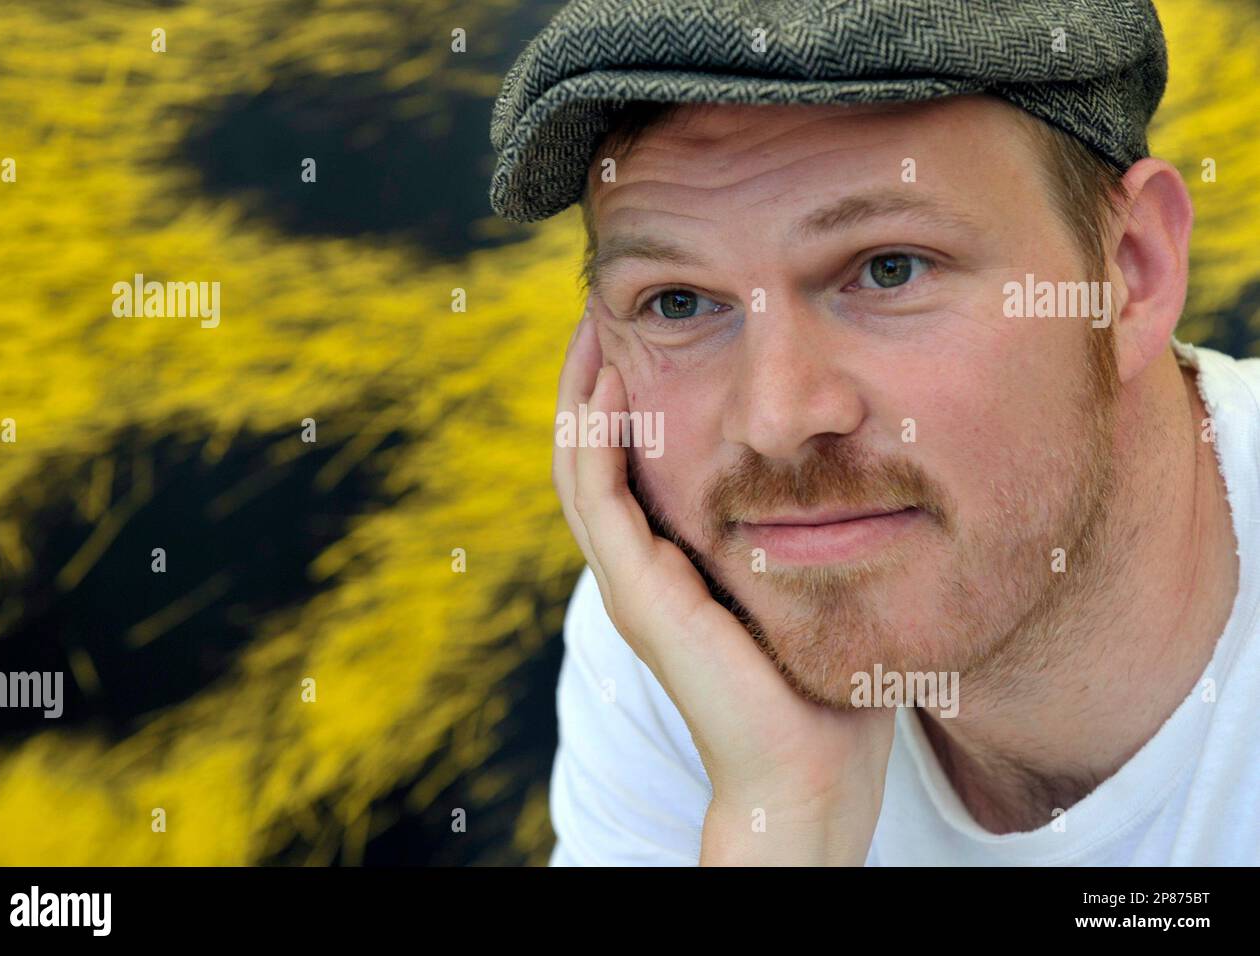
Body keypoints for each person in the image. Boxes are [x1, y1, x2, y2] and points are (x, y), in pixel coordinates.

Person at [489, 0, 1260, 864]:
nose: (776, 420)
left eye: (887, 270)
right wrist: (787, 815)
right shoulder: (681, 631)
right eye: (677, 303)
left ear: (1132, 273)